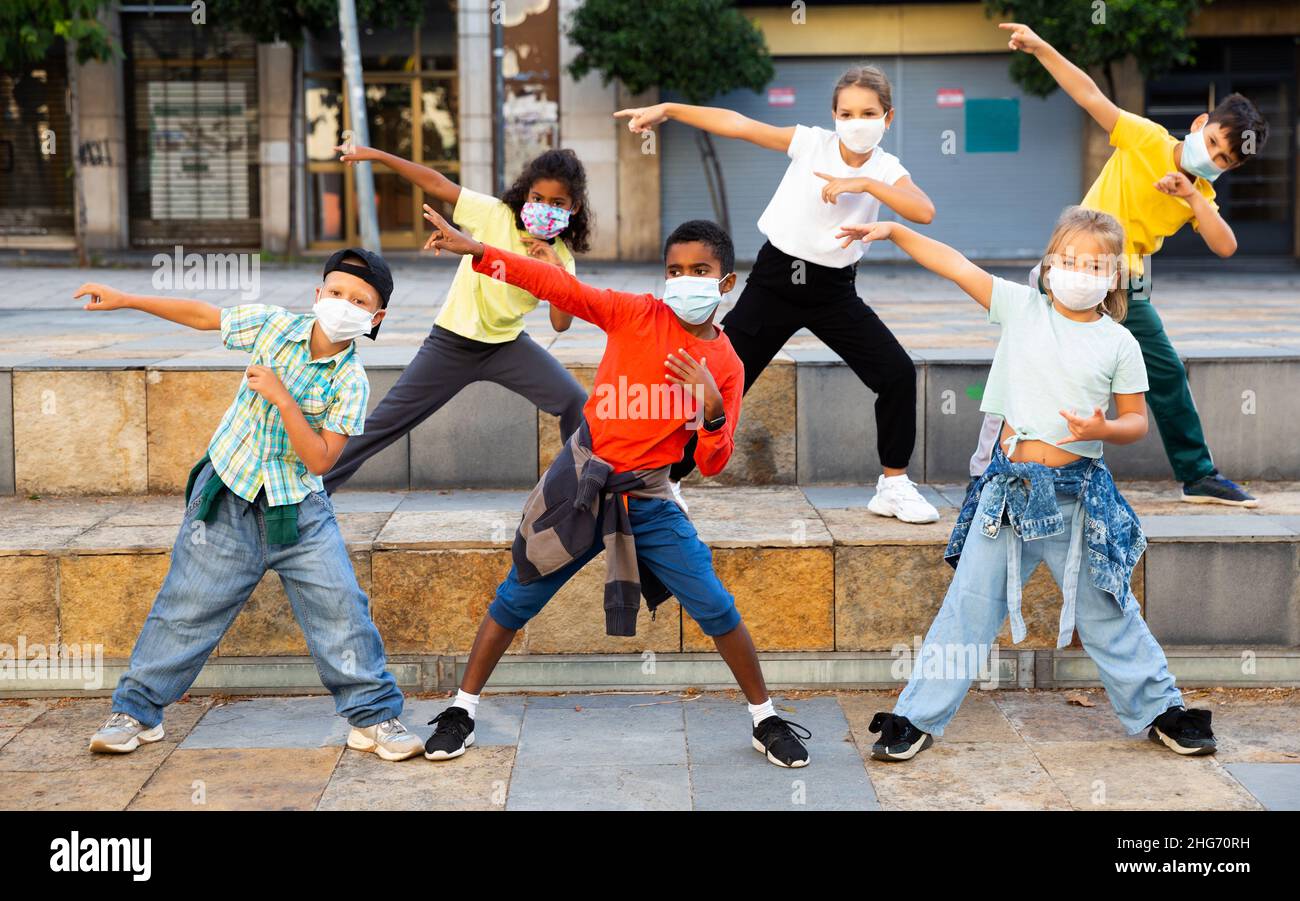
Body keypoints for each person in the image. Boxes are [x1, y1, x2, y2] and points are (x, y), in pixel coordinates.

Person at [417, 210, 813, 768]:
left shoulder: (725, 362)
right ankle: (462, 710)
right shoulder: (635, 315)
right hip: (583, 485)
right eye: (675, 270)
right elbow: (561, 287)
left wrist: (714, 411)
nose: (684, 280)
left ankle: (765, 717)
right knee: (517, 595)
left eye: (699, 270)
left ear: (725, 283)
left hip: (650, 500)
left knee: (715, 606)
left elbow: (715, 462)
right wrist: (478, 250)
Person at [843, 208, 1216, 761]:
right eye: (1067, 260)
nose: (1078, 271)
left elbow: (1137, 421)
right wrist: (896, 231)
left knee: (1109, 609)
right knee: (967, 607)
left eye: (1093, 264)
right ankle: (914, 717)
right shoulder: (1021, 309)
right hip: (1010, 497)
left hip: (1077, 497)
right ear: (1047, 265)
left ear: (1114, 275)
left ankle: (1162, 709)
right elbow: (954, 265)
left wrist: (1103, 428)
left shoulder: (1120, 343)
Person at [77, 250, 425, 762]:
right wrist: (128, 299)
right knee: (185, 609)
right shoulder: (274, 326)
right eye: (334, 292)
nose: (341, 304)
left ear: (375, 318)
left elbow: (322, 460)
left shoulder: (351, 381)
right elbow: (205, 316)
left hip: (299, 513)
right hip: (228, 498)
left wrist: (284, 399)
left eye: (358, 300)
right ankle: (137, 711)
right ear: (317, 295)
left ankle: (373, 718)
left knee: (342, 612)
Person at [614, 65, 939, 523]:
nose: (857, 120)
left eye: (869, 112)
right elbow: (740, 125)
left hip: (834, 292)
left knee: (897, 373)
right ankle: (667, 479)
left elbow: (924, 210)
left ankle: (894, 485)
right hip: (775, 282)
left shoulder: (887, 168)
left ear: (887, 119)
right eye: (847, 112)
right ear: (834, 116)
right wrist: (668, 108)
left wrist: (864, 184)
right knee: (720, 378)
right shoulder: (812, 143)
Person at [968, 22, 1271, 508]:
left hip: (1126, 287)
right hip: (1067, 271)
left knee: (1166, 371)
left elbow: (1226, 245)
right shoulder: (1145, 138)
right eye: (1213, 142)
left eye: (1225, 160)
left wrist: (1192, 194)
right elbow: (1089, 94)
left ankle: (1198, 474)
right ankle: (986, 471)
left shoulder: (1202, 194)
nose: (1213, 156)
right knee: (1018, 363)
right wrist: (1043, 45)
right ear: (1199, 124)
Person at [323, 145, 591, 492]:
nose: (545, 209)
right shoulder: (497, 216)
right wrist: (379, 156)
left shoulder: (563, 261)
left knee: (574, 400)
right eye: (538, 198)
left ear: (574, 208)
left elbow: (561, 323)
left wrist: (554, 269)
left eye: (557, 204)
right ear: (526, 196)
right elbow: (437, 184)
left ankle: (578, 493)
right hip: (451, 342)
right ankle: (311, 492)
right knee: (382, 424)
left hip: (507, 346)